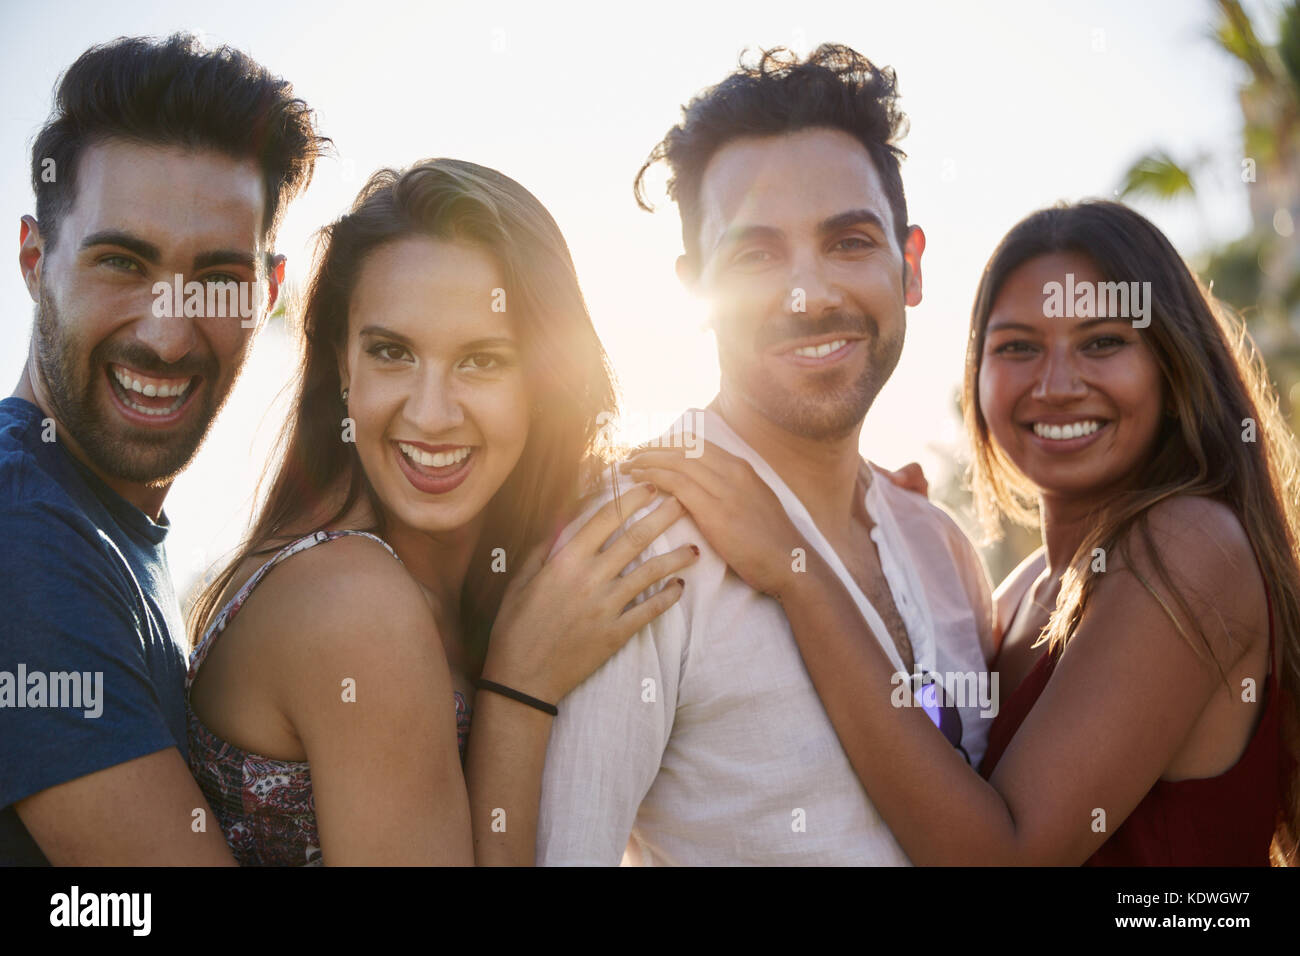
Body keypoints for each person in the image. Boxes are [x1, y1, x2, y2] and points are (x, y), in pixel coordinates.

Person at [643, 199, 1300, 865]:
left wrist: (799, 565)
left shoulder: (1190, 547)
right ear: (978, 376)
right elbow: (930, 763)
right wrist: (880, 534)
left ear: (1171, 362)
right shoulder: (1017, 595)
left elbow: (1002, 857)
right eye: (1017, 347)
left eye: (1103, 342)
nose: (1057, 384)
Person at [526, 44, 995, 866]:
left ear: (909, 265)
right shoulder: (639, 539)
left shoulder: (943, 547)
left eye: (849, 242)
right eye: (755, 254)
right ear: (695, 288)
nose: (808, 295)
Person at [183, 158, 698, 865]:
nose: (429, 415)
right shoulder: (352, 604)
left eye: (481, 361)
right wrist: (519, 689)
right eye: (392, 353)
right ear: (343, 364)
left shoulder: (501, 570)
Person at [0, 34, 327, 865]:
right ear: (37, 261)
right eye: (121, 261)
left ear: (269, 294)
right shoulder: (24, 534)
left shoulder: (96, 526)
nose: (167, 334)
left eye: (217, 277)